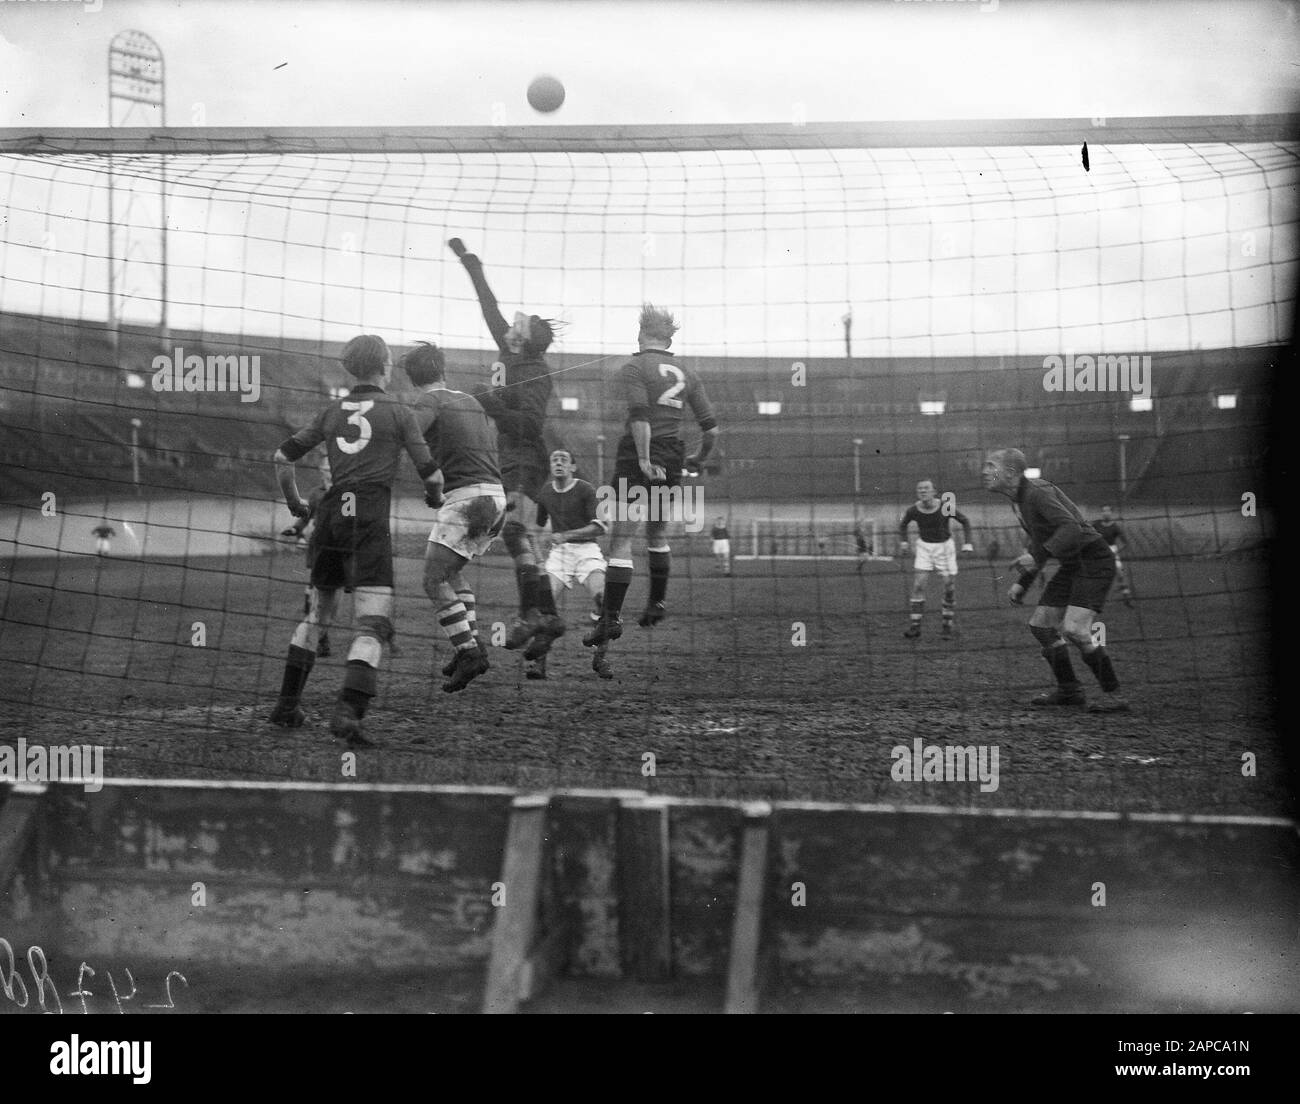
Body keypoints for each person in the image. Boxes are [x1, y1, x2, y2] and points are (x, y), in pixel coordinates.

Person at [267, 334, 442, 746]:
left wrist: (297, 506)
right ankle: (349, 711)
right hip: (367, 518)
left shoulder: (331, 411)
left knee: (317, 616)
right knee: (373, 621)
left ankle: (287, 706)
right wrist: (434, 498)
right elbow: (432, 475)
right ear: (386, 365)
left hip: (330, 516)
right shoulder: (397, 410)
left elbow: (281, 458)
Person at [448, 237, 565, 659]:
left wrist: (490, 402)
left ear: (525, 338)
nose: (515, 321)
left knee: (515, 531)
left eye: (524, 321)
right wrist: (469, 260)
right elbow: (488, 303)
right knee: (515, 533)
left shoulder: (535, 371)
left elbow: (532, 425)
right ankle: (543, 617)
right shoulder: (507, 347)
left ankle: (531, 616)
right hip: (508, 458)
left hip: (527, 458)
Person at [585, 304, 719, 661]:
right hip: (674, 455)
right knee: (657, 533)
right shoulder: (687, 372)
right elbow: (712, 430)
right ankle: (657, 602)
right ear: (670, 337)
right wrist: (699, 460)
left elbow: (640, 416)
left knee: (622, 538)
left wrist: (644, 459)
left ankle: (610, 619)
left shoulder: (635, 366)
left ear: (641, 333)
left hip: (638, 454)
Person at [982, 448, 1129, 712]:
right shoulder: (1018, 500)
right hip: (1072, 564)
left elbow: (1070, 527)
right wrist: (1023, 583)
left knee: (1075, 630)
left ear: (1011, 472)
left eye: (990, 465)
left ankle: (1114, 696)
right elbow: (1040, 543)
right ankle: (1070, 690)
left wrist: (1040, 555)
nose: (984, 471)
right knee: (1041, 626)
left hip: (1094, 561)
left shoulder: (1037, 493)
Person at [401, 341, 507, 693]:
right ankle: (471, 647)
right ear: (443, 369)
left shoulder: (427, 400)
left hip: (467, 499)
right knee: (453, 574)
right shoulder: (470, 400)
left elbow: (410, 435)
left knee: (432, 579)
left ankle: (468, 651)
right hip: (495, 498)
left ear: (412, 378)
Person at [530, 448, 612, 680]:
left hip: (587, 550)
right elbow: (536, 528)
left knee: (603, 599)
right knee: (544, 604)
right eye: (554, 459)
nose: (558, 463)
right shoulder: (545, 492)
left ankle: (600, 657)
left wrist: (566, 534)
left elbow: (601, 527)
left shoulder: (586, 489)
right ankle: (539, 664)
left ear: (572, 467)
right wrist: (537, 557)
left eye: (563, 459)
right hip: (559, 555)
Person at [898, 480, 974, 639]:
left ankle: (947, 626)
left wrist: (968, 543)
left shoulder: (945, 506)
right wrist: (904, 542)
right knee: (918, 585)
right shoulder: (913, 510)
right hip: (924, 548)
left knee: (949, 587)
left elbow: (965, 521)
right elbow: (903, 525)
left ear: (934, 491)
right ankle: (915, 627)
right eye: (920, 489)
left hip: (945, 548)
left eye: (926, 488)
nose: (923, 491)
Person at [281, 462, 333, 657]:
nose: (329, 470)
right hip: (319, 548)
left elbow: (350, 516)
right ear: (321, 471)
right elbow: (306, 516)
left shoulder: (346, 492)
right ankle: (322, 639)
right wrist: (296, 529)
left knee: (333, 600)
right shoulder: (315, 494)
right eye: (325, 467)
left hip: (339, 548)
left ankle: (321, 632)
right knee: (317, 592)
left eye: (331, 465)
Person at [1091, 505, 1135, 607]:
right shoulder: (1096, 524)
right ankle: (1093, 598)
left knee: (1120, 574)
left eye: (1108, 511)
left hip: (1112, 551)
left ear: (1111, 513)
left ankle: (1127, 598)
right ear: (1101, 513)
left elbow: (1125, 542)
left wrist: (1116, 551)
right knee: (1096, 574)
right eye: (1103, 511)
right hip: (1099, 552)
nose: (1105, 513)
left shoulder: (1115, 527)